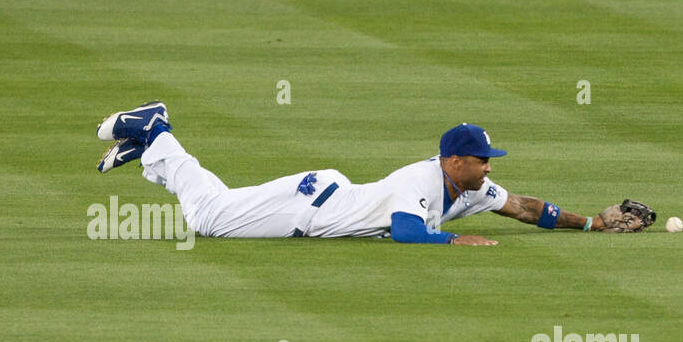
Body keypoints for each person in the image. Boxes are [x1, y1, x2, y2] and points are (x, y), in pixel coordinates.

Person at [95, 101, 653, 245]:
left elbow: (528, 209)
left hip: (322, 199)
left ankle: (150, 146)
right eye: (482, 158)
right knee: (209, 219)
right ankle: (158, 132)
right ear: (453, 160)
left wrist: (589, 225)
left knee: (215, 204)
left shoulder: (473, 188)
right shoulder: (419, 180)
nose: (489, 167)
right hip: (307, 206)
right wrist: (458, 239)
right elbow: (410, 232)